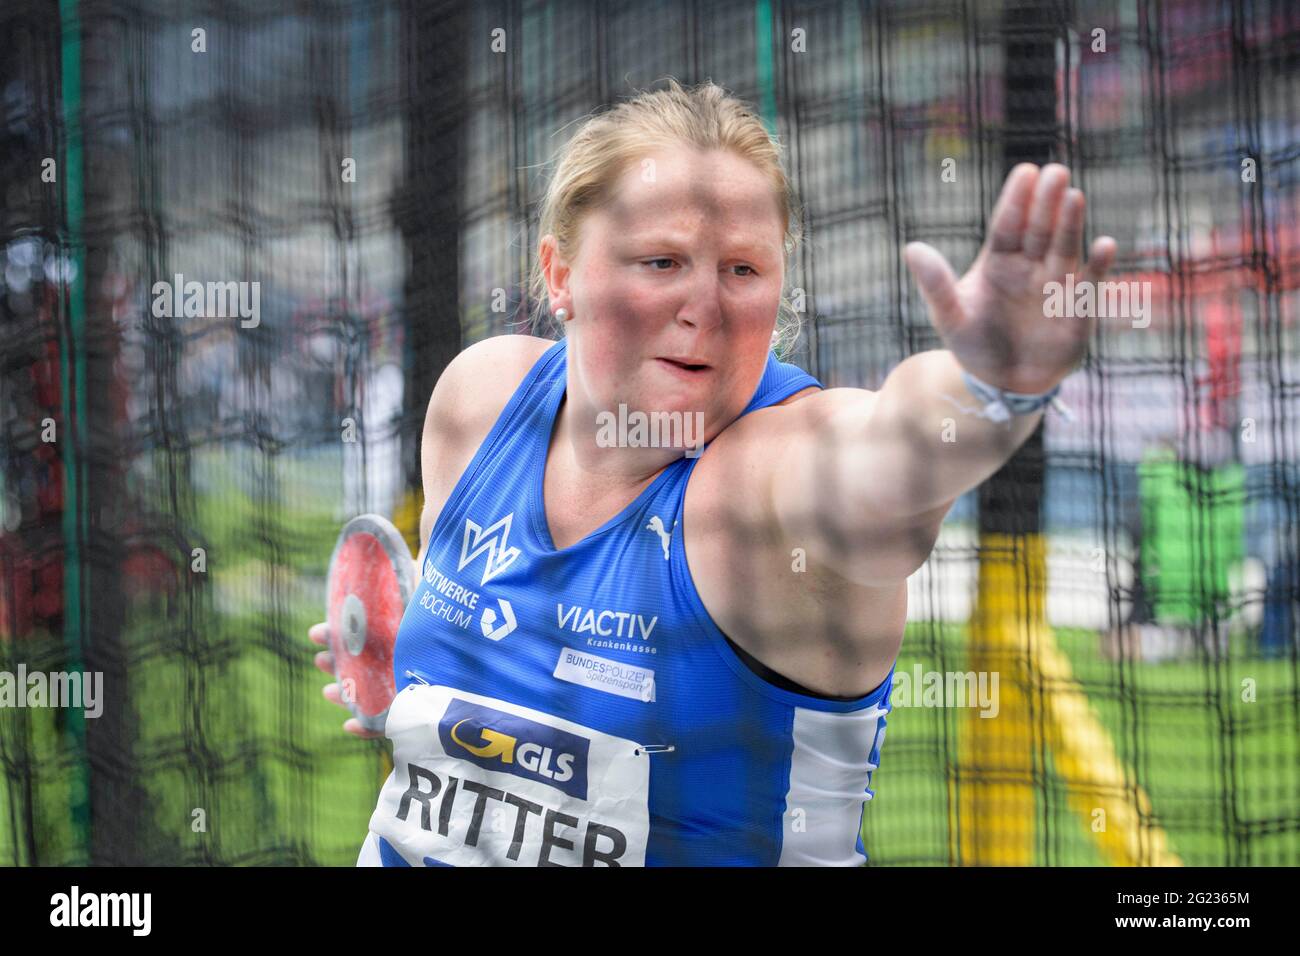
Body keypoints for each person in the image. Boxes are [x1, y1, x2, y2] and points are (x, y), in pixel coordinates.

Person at [309, 78, 1117, 866]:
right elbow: (507, 645)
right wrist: (420, 687)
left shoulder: (759, 494)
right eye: (661, 262)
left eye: (742, 270)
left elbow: (894, 460)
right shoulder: (481, 400)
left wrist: (992, 386)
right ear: (560, 276)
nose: (706, 305)